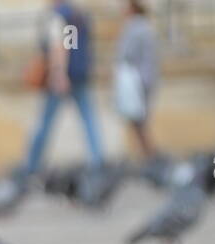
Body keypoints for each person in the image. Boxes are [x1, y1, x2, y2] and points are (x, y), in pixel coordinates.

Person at [24, 1, 103, 176]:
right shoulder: (76, 15)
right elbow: (74, 45)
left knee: (45, 122)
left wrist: (59, 73)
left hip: (63, 77)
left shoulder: (57, 16)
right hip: (79, 75)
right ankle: (98, 161)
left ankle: (30, 165)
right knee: (88, 119)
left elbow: (60, 47)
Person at [115, 0, 158, 159]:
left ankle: (150, 156)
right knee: (139, 121)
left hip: (137, 80)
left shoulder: (135, 27)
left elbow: (126, 54)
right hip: (144, 78)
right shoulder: (145, 26)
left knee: (138, 122)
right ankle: (147, 156)